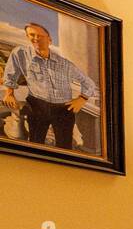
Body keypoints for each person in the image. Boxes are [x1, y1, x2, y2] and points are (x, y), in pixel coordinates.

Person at [1, 21, 99, 151]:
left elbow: (89, 83)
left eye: (40, 36)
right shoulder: (20, 53)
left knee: (64, 147)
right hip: (37, 106)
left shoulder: (64, 64)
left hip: (63, 109)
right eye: (31, 35)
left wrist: (82, 99)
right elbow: (10, 75)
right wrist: (9, 94)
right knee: (36, 143)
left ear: (50, 40)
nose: (35, 38)